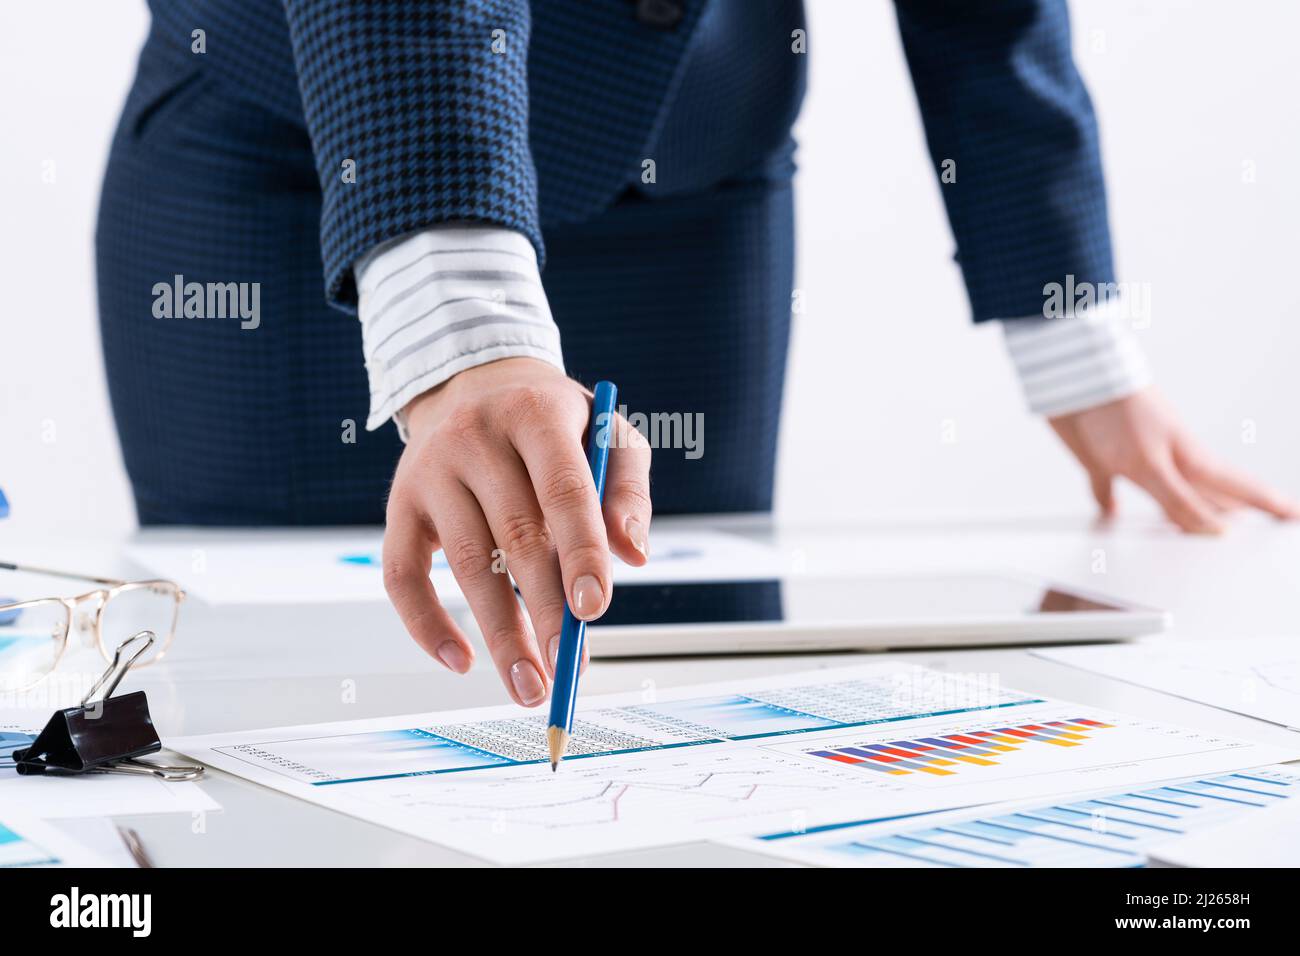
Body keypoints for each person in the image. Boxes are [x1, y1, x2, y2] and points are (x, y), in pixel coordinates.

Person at [97, 0, 1297, 708]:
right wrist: (453, 315)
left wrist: (1071, 335)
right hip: (318, 150)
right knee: (300, 707)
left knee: (685, 712)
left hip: (692, 167)